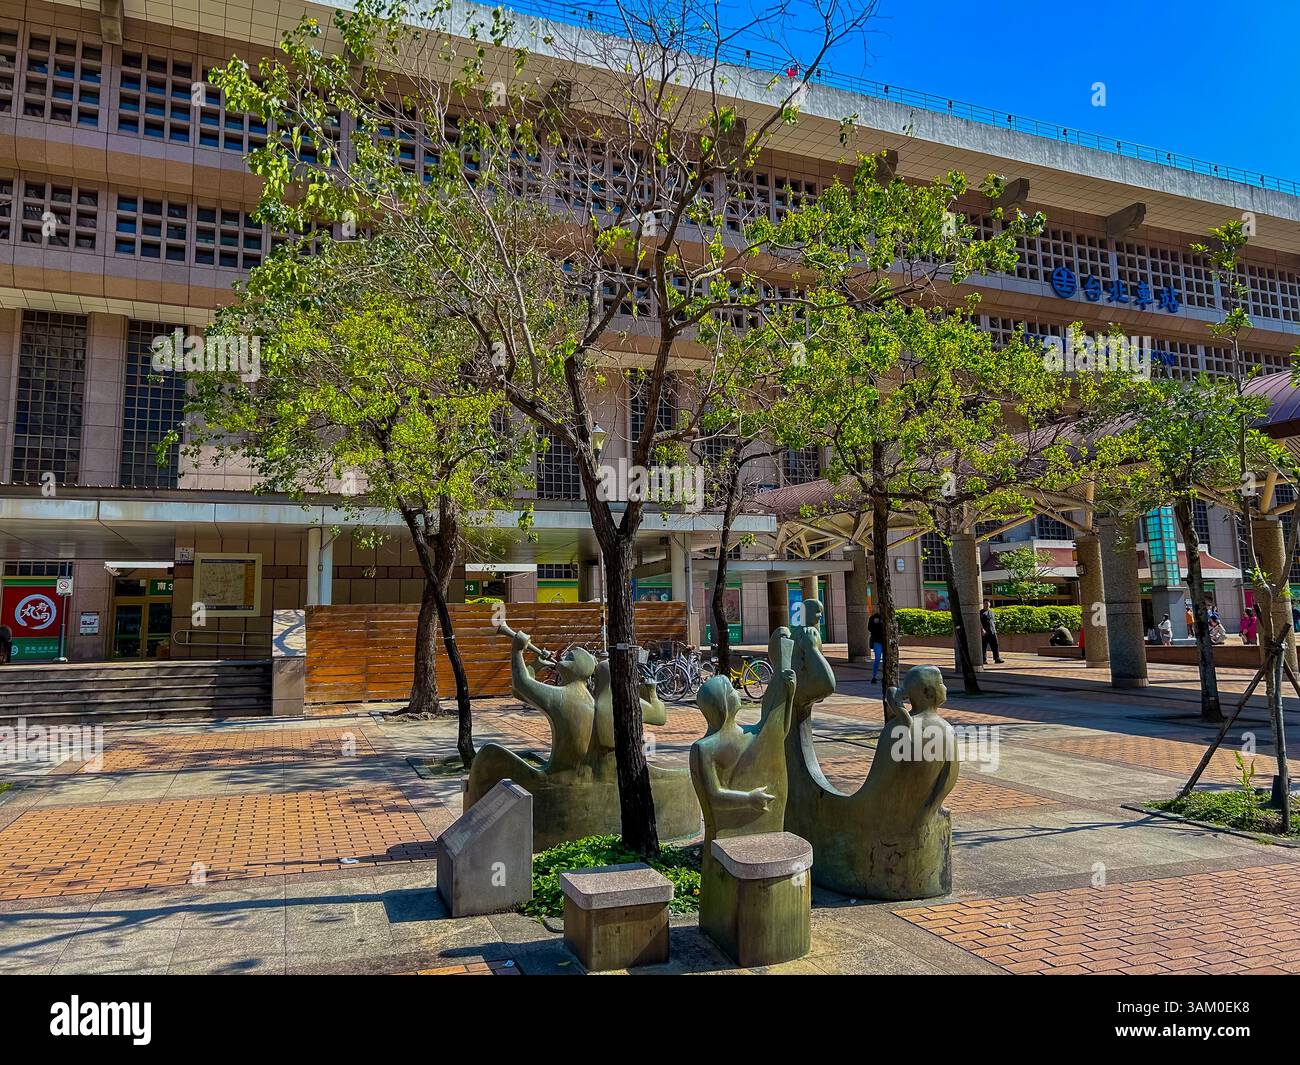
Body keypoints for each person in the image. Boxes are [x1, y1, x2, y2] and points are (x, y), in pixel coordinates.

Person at [979, 600, 1003, 664]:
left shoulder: (992, 612)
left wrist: (995, 629)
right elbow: (979, 622)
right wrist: (982, 630)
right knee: (983, 647)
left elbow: (992, 622)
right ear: (983, 604)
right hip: (985, 632)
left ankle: (997, 658)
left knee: (995, 645)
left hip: (992, 631)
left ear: (990, 604)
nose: (986, 604)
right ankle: (983, 660)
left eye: (987, 603)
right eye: (985, 603)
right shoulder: (981, 613)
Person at [867, 610, 884, 684]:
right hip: (877, 641)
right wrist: (876, 623)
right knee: (877, 658)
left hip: (884, 641)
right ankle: (874, 677)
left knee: (885, 659)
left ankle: (884, 676)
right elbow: (870, 628)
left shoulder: (887, 616)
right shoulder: (873, 617)